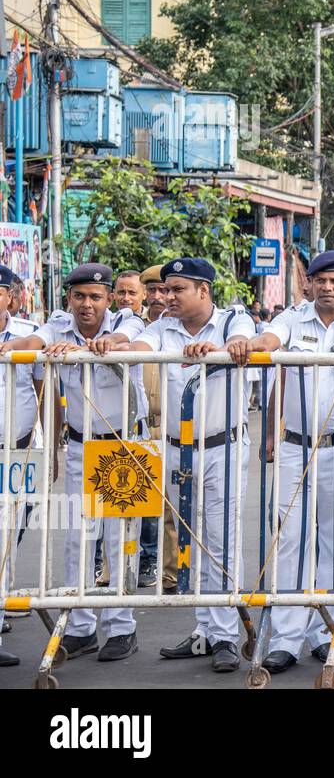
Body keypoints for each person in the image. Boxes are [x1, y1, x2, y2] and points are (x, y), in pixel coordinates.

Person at [225, 250, 334, 674]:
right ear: (309, 282)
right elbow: (270, 341)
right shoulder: (292, 317)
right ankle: (285, 639)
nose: (327, 287)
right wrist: (251, 344)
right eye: (320, 279)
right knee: (290, 539)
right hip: (294, 446)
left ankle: (327, 634)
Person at [109, 259, 256, 673]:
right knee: (192, 540)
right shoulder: (162, 327)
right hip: (176, 450)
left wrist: (219, 350)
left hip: (221, 447)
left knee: (221, 540)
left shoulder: (231, 320)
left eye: (176, 290)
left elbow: (247, 341)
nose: (166, 298)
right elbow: (138, 346)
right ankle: (205, 629)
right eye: (164, 290)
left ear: (203, 291)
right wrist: (114, 346)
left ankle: (225, 635)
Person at [2, 264, 146, 662]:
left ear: (108, 299)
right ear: (69, 298)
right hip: (81, 445)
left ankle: (121, 628)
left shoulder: (125, 320)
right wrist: (11, 348)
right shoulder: (60, 325)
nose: (87, 305)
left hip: (123, 445)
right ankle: (80, 627)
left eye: (95, 297)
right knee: (78, 538)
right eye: (79, 296)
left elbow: (126, 338)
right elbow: (35, 338)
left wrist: (101, 344)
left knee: (120, 540)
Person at [0, 263, 43, 667]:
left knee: (11, 532)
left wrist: (48, 445)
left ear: (10, 296)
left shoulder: (30, 333)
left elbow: (43, 386)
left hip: (18, 451)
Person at [137, 263, 173, 593]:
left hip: (171, 428)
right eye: (153, 291)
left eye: (165, 290)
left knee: (171, 509)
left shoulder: (176, 330)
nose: (159, 297)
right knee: (136, 502)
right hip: (139, 428)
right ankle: (124, 566)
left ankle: (172, 573)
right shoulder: (136, 330)